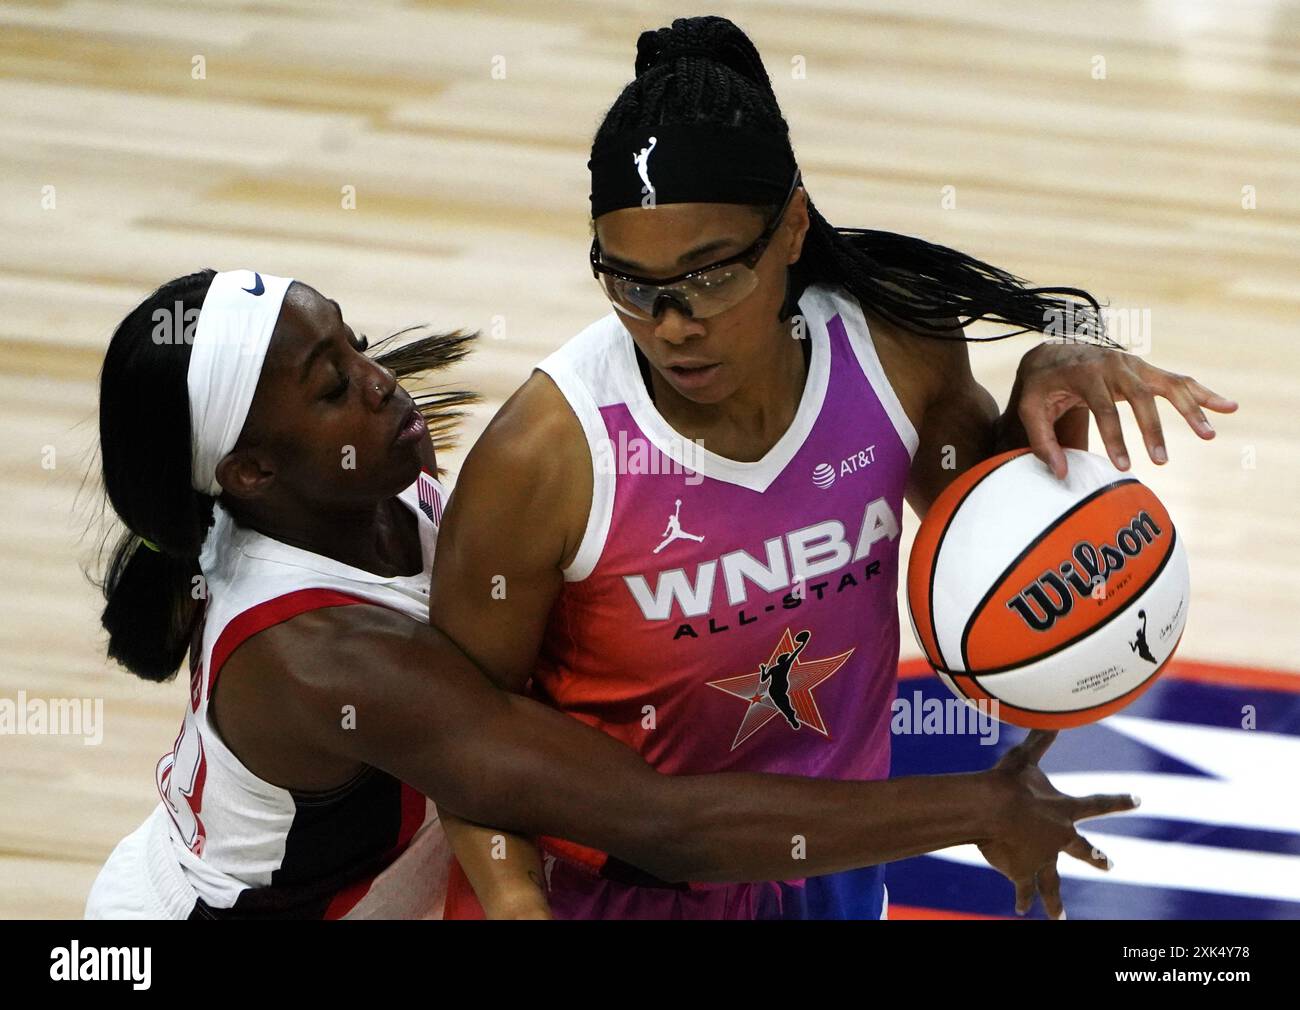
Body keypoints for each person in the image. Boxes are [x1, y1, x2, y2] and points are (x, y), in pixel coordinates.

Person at [427, 16, 1237, 920]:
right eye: (630, 283)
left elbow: (1007, 554)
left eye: (710, 275)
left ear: (792, 229)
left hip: (839, 870)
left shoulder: (895, 352)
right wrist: (508, 897)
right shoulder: (543, 458)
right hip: (612, 896)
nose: (672, 322)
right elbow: (464, 735)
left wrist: (1049, 388)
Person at [85, 268, 1144, 919]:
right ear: (250, 473)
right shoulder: (318, 658)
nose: (378, 378)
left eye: (351, 341)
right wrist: (977, 803)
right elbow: (660, 821)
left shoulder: (354, 486)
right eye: (331, 386)